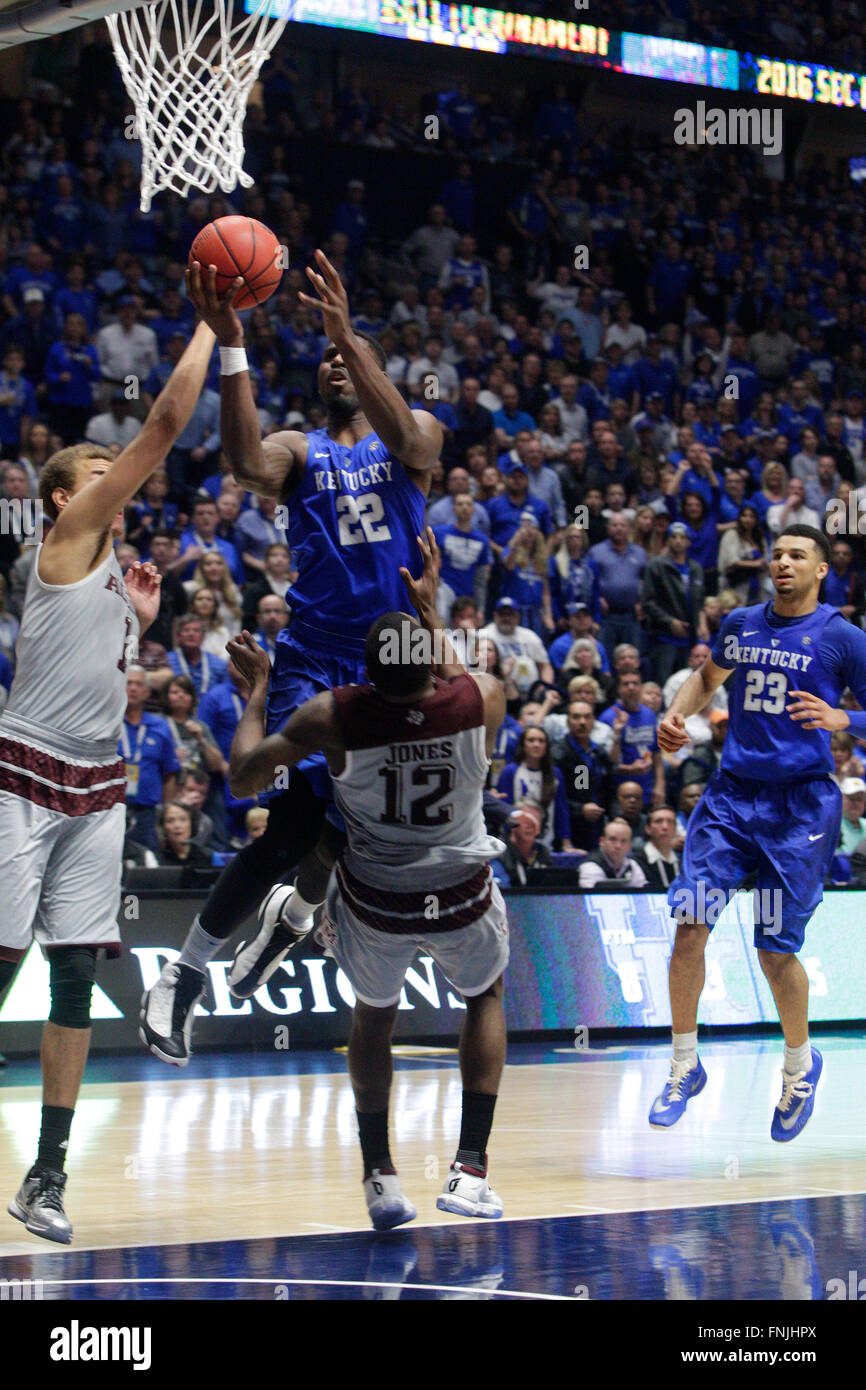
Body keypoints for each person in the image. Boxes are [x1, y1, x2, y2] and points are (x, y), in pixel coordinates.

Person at [141, 252, 441, 1064]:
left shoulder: (417, 439)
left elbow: (411, 433)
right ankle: (184, 976)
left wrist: (348, 330)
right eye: (326, 357)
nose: (335, 363)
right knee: (294, 825)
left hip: (390, 664)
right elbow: (243, 462)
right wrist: (233, 342)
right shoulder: (300, 449)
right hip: (313, 656)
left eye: (351, 356)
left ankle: (296, 917)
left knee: (357, 834)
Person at [0, 318, 215, 1242]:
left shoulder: (113, 579)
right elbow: (166, 422)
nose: (113, 483)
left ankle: (46, 1178)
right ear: (61, 498)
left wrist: (143, 626)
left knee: (77, 976)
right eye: (98, 471)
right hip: (24, 770)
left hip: (96, 786)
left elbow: (102, 676)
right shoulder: (66, 537)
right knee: (4, 960)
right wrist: (218, 316)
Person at [225, 531, 509, 1226]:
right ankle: (469, 1172)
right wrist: (433, 612)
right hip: (461, 891)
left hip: (377, 898)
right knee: (484, 997)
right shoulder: (484, 700)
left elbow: (242, 778)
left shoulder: (334, 715)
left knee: (374, 1018)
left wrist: (258, 692)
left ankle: (380, 1176)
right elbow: (454, 675)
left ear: (365, 669)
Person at [651, 524, 866, 1142]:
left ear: (822, 569)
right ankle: (683, 1067)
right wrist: (677, 714)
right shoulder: (743, 622)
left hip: (800, 808)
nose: (783, 563)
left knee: (774, 951)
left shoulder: (840, 637)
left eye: (798, 555)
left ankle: (799, 1067)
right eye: (776, 554)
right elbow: (705, 677)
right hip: (731, 798)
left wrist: (842, 717)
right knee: (691, 921)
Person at [577, 819, 647, 887]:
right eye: (612, 839)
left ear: (629, 846)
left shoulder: (633, 865)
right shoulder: (590, 867)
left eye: (623, 841)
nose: (618, 846)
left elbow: (642, 893)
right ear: (602, 841)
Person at [632, 805, 681, 890]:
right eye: (659, 821)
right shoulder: (636, 862)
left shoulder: (683, 864)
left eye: (670, 822)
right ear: (648, 829)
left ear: (675, 830)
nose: (665, 827)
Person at [157, 800, 213, 868]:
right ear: (163, 828)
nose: (177, 825)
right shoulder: (156, 860)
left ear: (192, 824)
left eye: (183, 819)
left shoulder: (208, 857)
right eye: (170, 820)